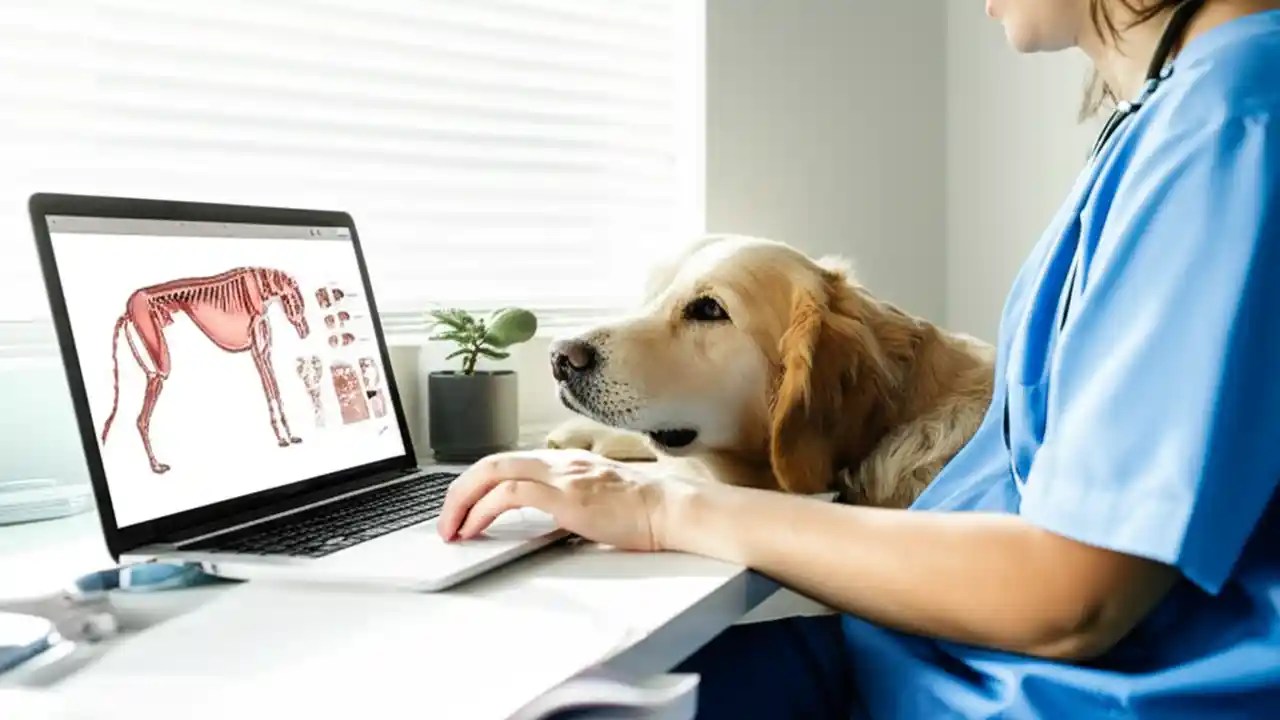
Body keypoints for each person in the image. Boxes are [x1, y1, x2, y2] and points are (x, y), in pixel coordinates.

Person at [438, 0, 1280, 716]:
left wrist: (664, 511)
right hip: (944, 663)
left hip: (1050, 692)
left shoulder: (1234, 117)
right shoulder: (1178, 116)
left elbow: (1071, 593)